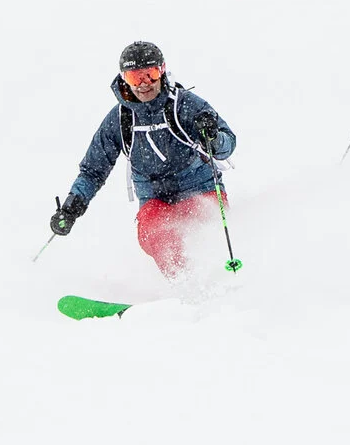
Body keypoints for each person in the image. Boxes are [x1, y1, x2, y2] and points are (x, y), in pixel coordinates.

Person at [48, 41, 238, 280]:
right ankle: (184, 284)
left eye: (150, 74)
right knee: (153, 231)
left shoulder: (186, 105)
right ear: (124, 79)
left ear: (162, 71)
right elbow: (93, 170)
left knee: (203, 226)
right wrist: (73, 206)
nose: (144, 84)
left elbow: (226, 146)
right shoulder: (120, 118)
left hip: (199, 188)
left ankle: (219, 279)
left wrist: (212, 137)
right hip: (155, 198)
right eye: (135, 78)